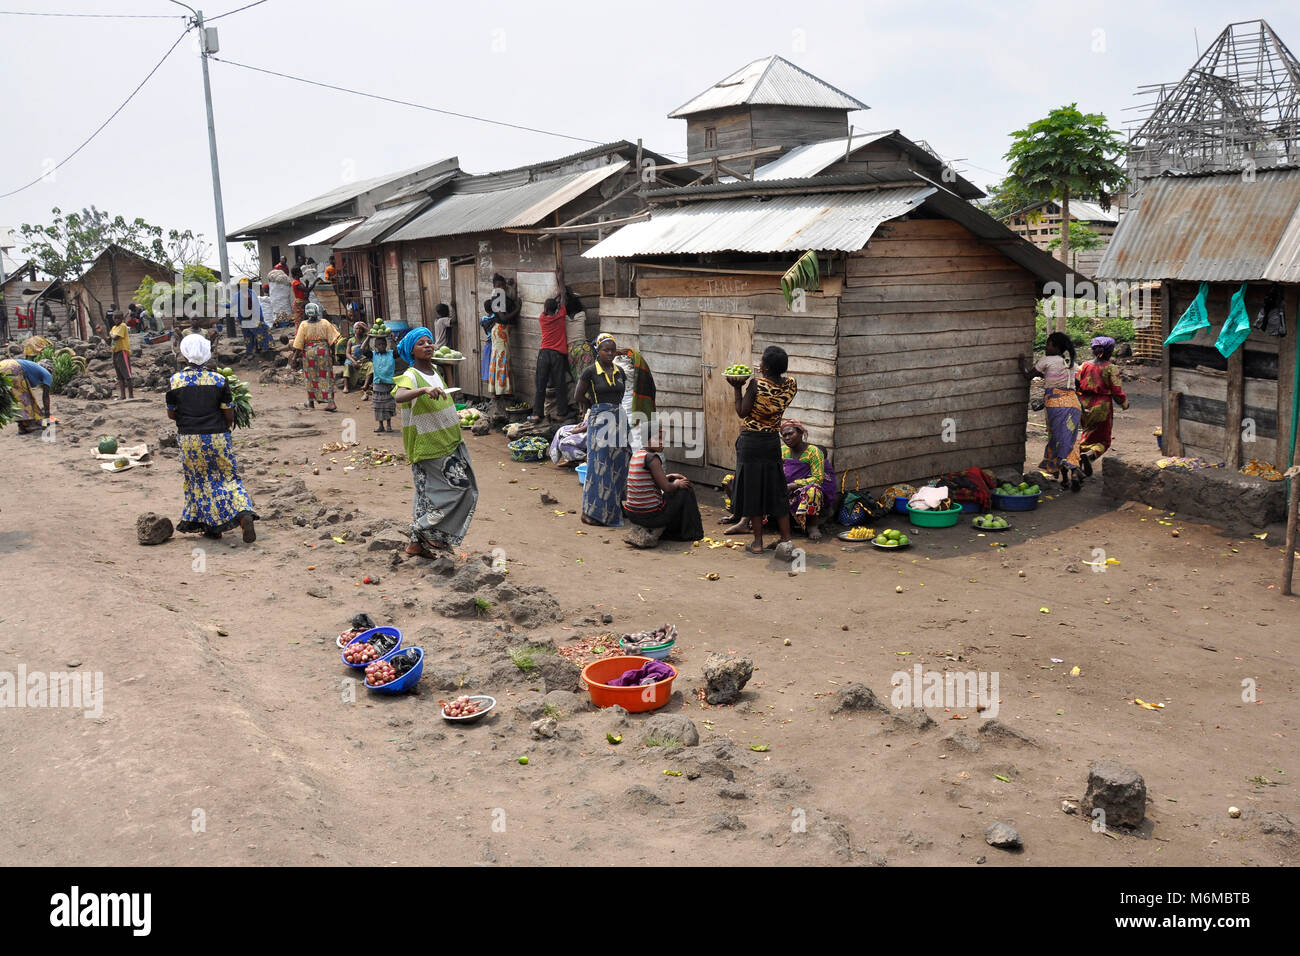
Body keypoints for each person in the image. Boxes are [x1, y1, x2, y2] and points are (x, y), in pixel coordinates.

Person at [392, 327, 478, 556]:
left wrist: (447, 370)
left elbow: (447, 396)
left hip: (447, 440)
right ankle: (424, 530)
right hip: (428, 444)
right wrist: (422, 390)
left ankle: (416, 544)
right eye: (421, 343)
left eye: (429, 342)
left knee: (424, 493)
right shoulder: (411, 375)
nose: (428, 345)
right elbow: (399, 396)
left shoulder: (436, 370)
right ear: (412, 349)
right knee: (462, 489)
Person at [165, 334, 257, 542]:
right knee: (228, 477)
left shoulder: (175, 381)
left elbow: (172, 413)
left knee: (199, 480)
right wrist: (224, 429)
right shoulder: (219, 380)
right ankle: (243, 515)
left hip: (189, 439)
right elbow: (228, 412)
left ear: (185, 353)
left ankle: (211, 527)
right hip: (216, 436)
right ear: (207, 354)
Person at [730, 346, 797, 557]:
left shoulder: (756, 385)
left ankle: (757, 542)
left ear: (765, 367)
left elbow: (742, 412)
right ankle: (786, 540)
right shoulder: (791, 385)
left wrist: (736, 388)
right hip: (771, 443)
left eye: (761, 362)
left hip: (751, 443)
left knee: (753, 491)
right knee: (777, 490)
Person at [574, 333, 629, 527]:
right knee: (599, 466)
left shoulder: (620, 372)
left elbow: (621, 395)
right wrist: (594, 407)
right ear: (598, 350)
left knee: (620, 465)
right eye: (606, 350)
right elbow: (578, 395)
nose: (610, 353)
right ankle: (590, 512)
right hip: (600, 421)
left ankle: (616, 506)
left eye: (613, 350)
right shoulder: (590, 372)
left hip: (619, 419)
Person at [622, 424, 704, 548]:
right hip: (650, 515)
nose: (662, 442)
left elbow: (646, 480)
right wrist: (676, 483)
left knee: (676, 483)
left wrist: (669, 476)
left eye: (663, 438)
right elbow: (666, 488)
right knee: (685, 489)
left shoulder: (637, 455)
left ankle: (653, 530)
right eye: (657, 438)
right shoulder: (652, 459)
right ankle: (692, 533)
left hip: (633, 514)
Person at [1021, 331, 1083, 491]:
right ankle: (1073, 473)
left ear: (1056, 347)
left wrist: (1021, 363)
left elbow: (1028, 376)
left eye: (1049, 344)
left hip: (1056, 405)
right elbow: (1077, 383)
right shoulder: (1070, 363)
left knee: (1057, 438)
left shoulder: (1047, 360)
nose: (1046, 347)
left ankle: (1063, 472)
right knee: (1070, 438)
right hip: (1074, 404)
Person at [1076, 335, 1129, 475]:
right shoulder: (1111, 368)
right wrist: (1124, 403)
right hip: (1102, 406)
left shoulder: (1084, 366)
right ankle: (1090, 456)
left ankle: (1076, 469)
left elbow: (1075, 384)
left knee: (1086, 433)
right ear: (1110, 352)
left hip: (1083, 405)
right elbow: (1117, 391)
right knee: (1103, 440)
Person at [779, 419, 834, 542]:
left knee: (814, 490)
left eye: (790, 434)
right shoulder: (783, 451)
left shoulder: (813, 452)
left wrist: (793, 485)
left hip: (802, 490)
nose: (787, 438)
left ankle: (812, 526)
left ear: (801, 433)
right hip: (785, 488)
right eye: (784, 435)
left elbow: (818, 478)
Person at [531, 268, 570, 423]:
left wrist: (553, 300)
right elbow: (564, 298)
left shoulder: (542, 318)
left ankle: (536, 414)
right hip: (557, 355)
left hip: (544, 353)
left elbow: (549, 307)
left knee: (540, 384)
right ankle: (561, 413)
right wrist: (560, 280)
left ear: (545, 309)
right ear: (557, 309)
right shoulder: (561, 317)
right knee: (560, 383)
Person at [291, 302, 340, 411]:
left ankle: (311, 402)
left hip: (310, 354)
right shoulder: (325, 323)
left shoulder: (304, 325)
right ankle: (331, 402)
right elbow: (333, 341)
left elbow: (299, 344)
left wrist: (294, 358)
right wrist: (333, 356)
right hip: (324, 352)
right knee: (326, 376)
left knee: (310, 377)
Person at [486, 273, 518, 414]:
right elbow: (504, 317)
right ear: (495, 286)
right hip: (501, 330)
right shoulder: (498, 296)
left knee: (498, 360)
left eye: (502, 285)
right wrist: (518, 308)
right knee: (502, 361)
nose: (501, 287)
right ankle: (502, 391)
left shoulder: (499, 294)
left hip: (500, 331)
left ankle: (497, 390)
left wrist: (512, 285)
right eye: (499, 285)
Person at [0, 357, 52, 433]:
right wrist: (47, 415)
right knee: (23, 398)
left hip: (2, 365)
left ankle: (22, 426)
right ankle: (27, 425)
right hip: (13, 367)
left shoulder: (33, 368)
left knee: (13, 397)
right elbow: (45, 396)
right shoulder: (47, 374)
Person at [369, 321, 396, 433]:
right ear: (375, 346)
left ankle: (389, 425)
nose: (382, 346)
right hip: (378, 383)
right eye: (379, 345)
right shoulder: (374, 355)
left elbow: (397, 349)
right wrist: (368, 337)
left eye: (384, 344)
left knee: (388, 405)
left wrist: (392, 339)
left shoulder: (391, 353)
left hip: (389, 383)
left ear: (386, 345)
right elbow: (363, 349)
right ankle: (381, 425)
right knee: (378, 405)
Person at [236, 279, 269, 354]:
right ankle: (251, 351)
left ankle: (260, 349)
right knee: (248, 336)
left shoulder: (251, 294)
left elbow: (257, 305)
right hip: (245, 319)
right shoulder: (239, 295)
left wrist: (260, 316)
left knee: (259, 333)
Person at [109, 309, 134, 401]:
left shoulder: (123, 326)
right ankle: (122, 395)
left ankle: (131, 395)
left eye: (118, 318)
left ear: (122, 319)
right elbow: (109, 340)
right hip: (115, 352)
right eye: (115, 318)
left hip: (122, 352)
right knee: (119, 376)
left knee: (127, 374)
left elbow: (115, 337)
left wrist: (110, 334)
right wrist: (102, 333)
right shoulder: (114, 328)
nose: (116, 320)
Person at [342, 320, 372, 395]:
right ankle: (346, 386)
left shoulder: (366, 338)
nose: (358, 330)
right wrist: (353, 361)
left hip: (363, 360)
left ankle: (365, 385)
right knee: (347, 365)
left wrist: (364, 326)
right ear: (354, 330)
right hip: (353, 360)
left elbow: (371, 332)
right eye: (357, 328)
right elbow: (347, 354)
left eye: (360, 328)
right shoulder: (350, 340)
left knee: (371, 365)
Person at [267, 261, 293, 328]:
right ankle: (282, 322)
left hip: (280, 305)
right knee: (281, 309)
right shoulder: (279, 279)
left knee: (282, 309)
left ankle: (281, 322)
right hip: (278, 305)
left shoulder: (283, 279)